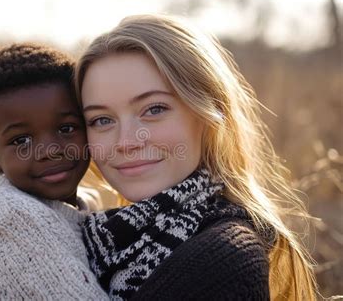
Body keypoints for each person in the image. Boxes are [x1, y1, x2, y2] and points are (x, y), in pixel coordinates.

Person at [76, 15, 317, 300]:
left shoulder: (225, 259)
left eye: (153, 109)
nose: (126, 142)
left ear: (208, 113)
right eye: (102, 120)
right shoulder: (104, 237)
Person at [0, 43, 108, 300]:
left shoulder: (82, 201)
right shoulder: (12, 218)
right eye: (21, 141)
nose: (49, 150)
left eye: (66, 128)